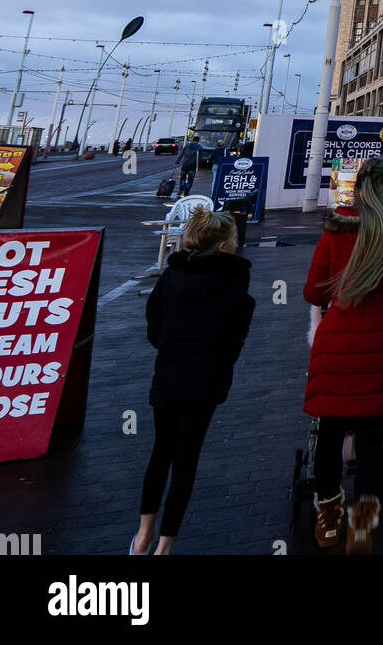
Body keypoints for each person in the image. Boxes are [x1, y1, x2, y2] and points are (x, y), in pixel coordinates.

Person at [303, 156, 383, 554]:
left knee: (330, 432)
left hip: (337, 341)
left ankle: (327, 521)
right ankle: (363, 524)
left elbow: (312, 291)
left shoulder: (337, 226)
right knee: (374, 435)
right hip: (382, 343)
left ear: (358, 187)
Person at [130, 206, 254, 556]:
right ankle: (165, 546)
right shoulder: (234, 281)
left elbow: (154, 323)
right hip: (206, 380)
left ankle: (143, 536)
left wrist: (168, 346)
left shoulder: (171, 275)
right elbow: (236, 335)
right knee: (186, 459)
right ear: (225, 245)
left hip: (169, 373)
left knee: (160, 453)